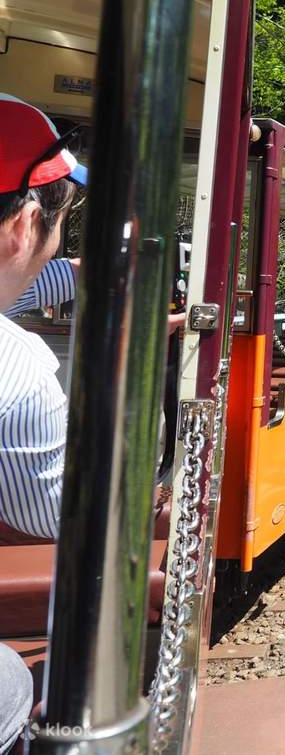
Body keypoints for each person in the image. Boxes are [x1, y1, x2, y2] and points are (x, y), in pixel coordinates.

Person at [0, 95, 86, 746]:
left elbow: (18, 285)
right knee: (15, 683)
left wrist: (82, 276)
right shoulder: (20, 366)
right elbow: (56, 514)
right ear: (24, 225)